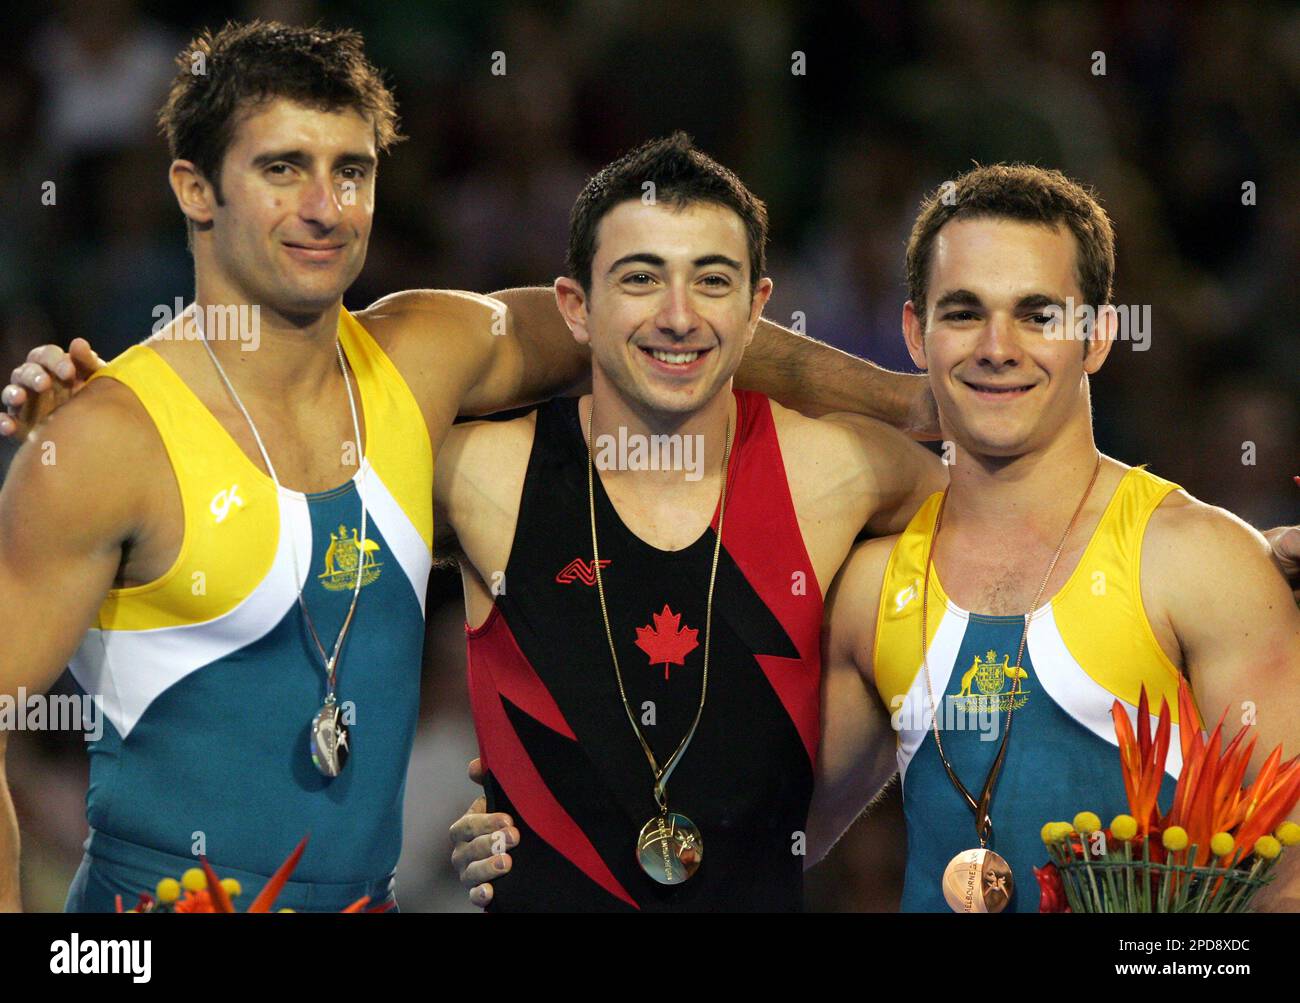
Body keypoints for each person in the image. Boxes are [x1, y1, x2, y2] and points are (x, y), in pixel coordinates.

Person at [0, 24, 933, 913]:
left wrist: (899, 400)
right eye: (282, 169)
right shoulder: (101, 439)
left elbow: (660, 326)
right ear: (195, 189)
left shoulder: (425, 356)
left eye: (351, 171)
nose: (325, 207)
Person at [450, 164, 1300, 912]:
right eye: (963, 312)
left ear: (1099, 334)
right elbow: (763, 823)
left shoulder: (1204, 566)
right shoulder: (871, 584)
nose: (997, 347)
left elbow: (1290, 883)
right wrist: (532, 814)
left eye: (1037, 314)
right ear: (912, 335)